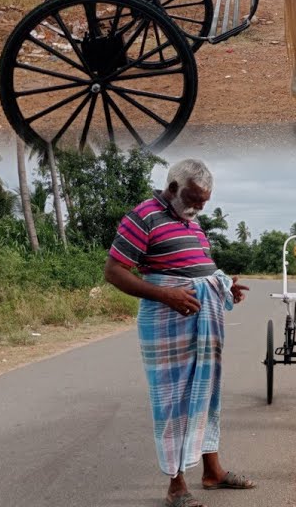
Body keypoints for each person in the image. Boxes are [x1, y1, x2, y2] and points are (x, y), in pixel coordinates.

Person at [104, 159, 256, 507]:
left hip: (203, 322)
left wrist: (223, 287)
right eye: (195, 197)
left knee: (207, 395)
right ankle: (176, 487)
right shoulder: (142, 217)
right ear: (172, 188)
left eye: (205, 199)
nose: (201, 205)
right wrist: (165, 294)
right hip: (166, 321)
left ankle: (212, 472)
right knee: (173, 402)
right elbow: (113, 272)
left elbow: (198, 268)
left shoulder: (194, 222)